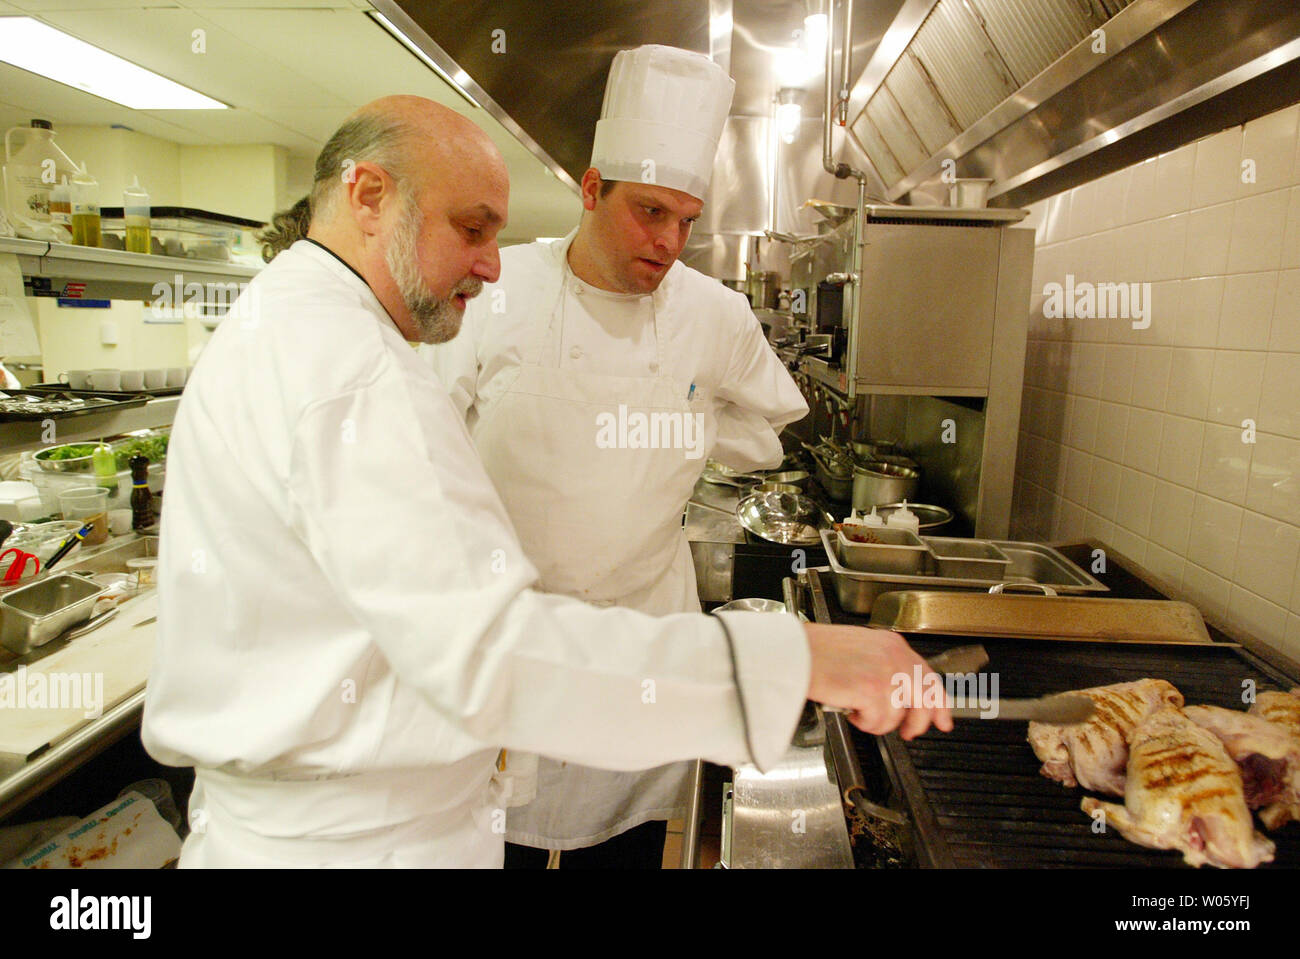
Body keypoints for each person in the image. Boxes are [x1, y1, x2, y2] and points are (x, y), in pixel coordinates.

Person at [141, 95, 950, 868]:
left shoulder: (299, 325)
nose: (493, 264)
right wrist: (797, 659)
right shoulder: (350, 375)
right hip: (355, 839)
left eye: (687, 221)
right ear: (368, 195)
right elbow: (492, 655)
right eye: (471, 228)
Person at [425, 45, 808, 867]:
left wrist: (686, 429)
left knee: (627, 852)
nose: (670, 241)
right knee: (502, 844)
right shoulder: (498, 290)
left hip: (643, 637)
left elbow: (771, 427)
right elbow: (429, 441)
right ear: (591, 190)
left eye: (687, 220)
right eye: (649, 212)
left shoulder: (715, 314)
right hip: (511, 642)